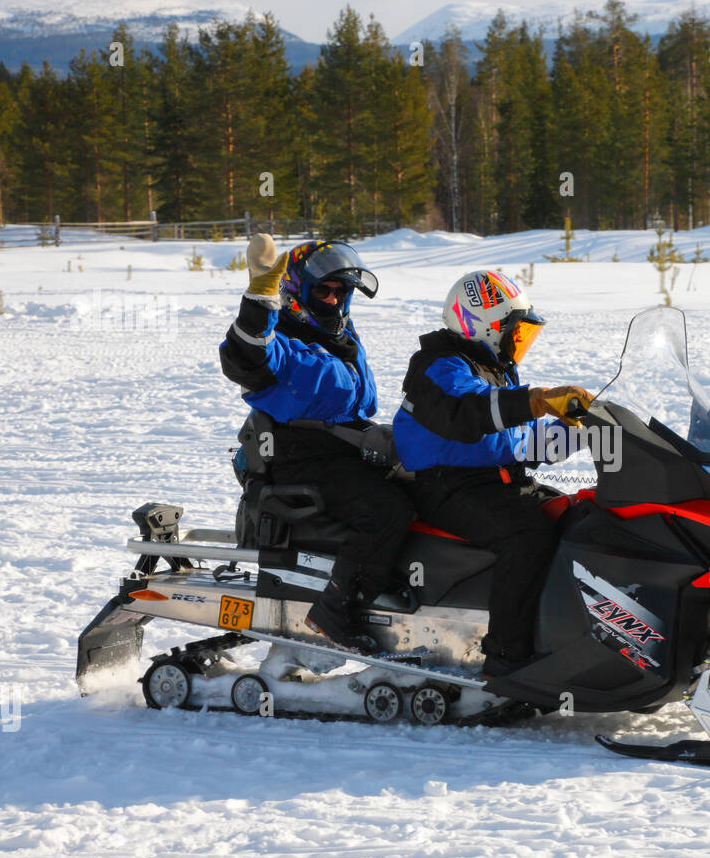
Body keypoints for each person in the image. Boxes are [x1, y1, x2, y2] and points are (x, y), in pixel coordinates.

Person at [220, 234, 414, 654]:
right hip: (301, 459)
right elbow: (244, 358)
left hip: (341, 448)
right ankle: (335, 609)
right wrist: (259, 302)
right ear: (295, 292)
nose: (331, 299)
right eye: (322, 290)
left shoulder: (337, 332)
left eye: (339, 291)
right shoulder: (282, 339)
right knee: (386, 509)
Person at [393, 270, 592, 679]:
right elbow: (473, 413)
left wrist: (592, 430)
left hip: (498, 481)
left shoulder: (495, 371)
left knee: (577, 515)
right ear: (486, 325)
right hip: (448, 486)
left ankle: (570, 638)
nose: (520, 344)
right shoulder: (438, 367)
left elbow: (522, 442)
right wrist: (535, 402)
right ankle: (506, 659)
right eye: (515, 333)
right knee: (528, 537)